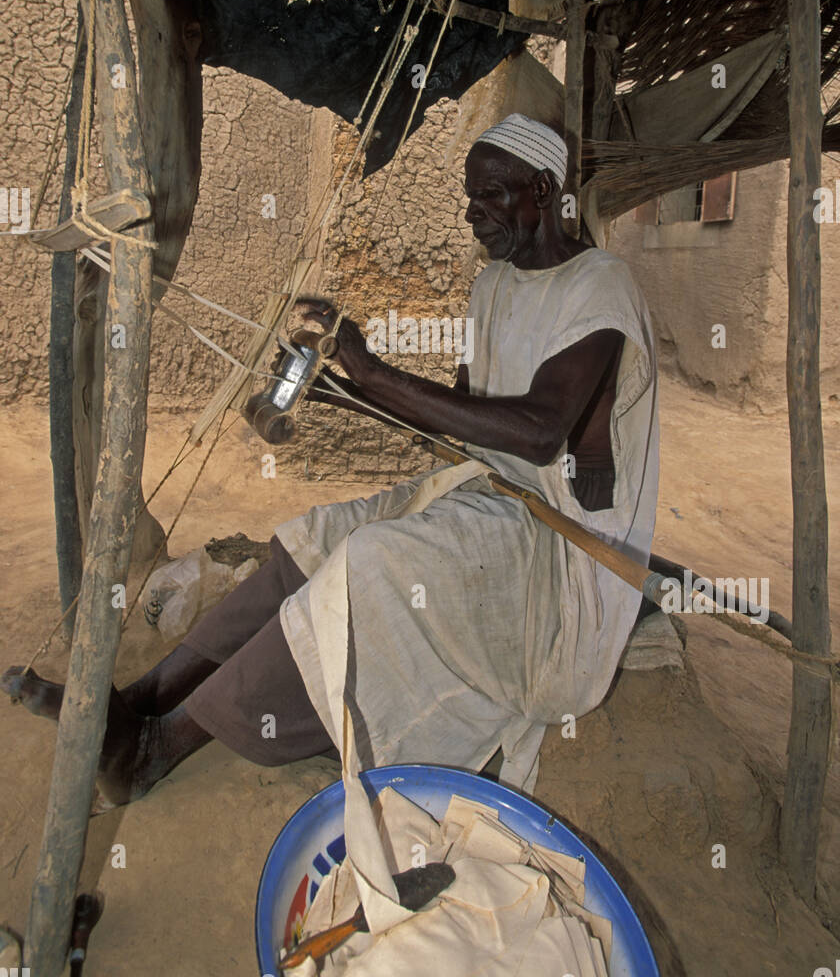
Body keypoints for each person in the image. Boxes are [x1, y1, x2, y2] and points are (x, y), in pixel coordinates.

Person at [3, 114, 659, 804]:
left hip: (562, 555)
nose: (473, 213)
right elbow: (467, 425)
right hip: (492, 493)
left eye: (491, 194)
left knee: (371, 564)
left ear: (544, 187)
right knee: (318, 536)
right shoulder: (494, 285)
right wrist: (341, 393)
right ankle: (142, 698)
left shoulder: (600, 286)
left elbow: (537, 431)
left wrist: (374, 375)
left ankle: (157, 748)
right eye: (469, 196)